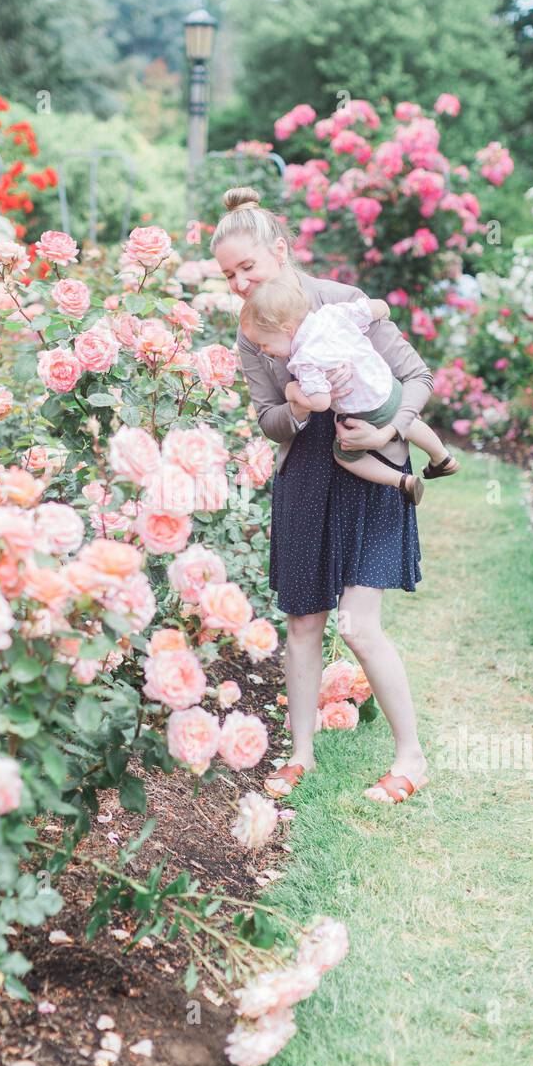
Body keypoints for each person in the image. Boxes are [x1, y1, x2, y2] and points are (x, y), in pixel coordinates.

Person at [212, 185, 432, 805]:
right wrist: (296, 407)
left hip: (370, 467)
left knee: (360, 628)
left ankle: (411, 758)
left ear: (280, 251)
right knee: (304, 621)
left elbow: (416, 377)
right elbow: (267, 420)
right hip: (305, 477)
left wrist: (388, 428)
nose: (238, 283)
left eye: (247, 267)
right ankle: (300, 754)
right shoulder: (250, 334)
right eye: (228, 275)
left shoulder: (340, 304)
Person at [241, 265, 460, 503]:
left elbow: (321, 402)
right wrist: (380, 309)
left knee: (345, 456)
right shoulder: (330, 314)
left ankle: (401, 481)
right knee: (407, 420)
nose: (265, 352)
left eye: (265, 345)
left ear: (286, 329)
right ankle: (442, 457)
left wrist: (292, 392)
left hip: (365, 410)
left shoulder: (304, 359)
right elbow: (377, 308)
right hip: (386, 385)